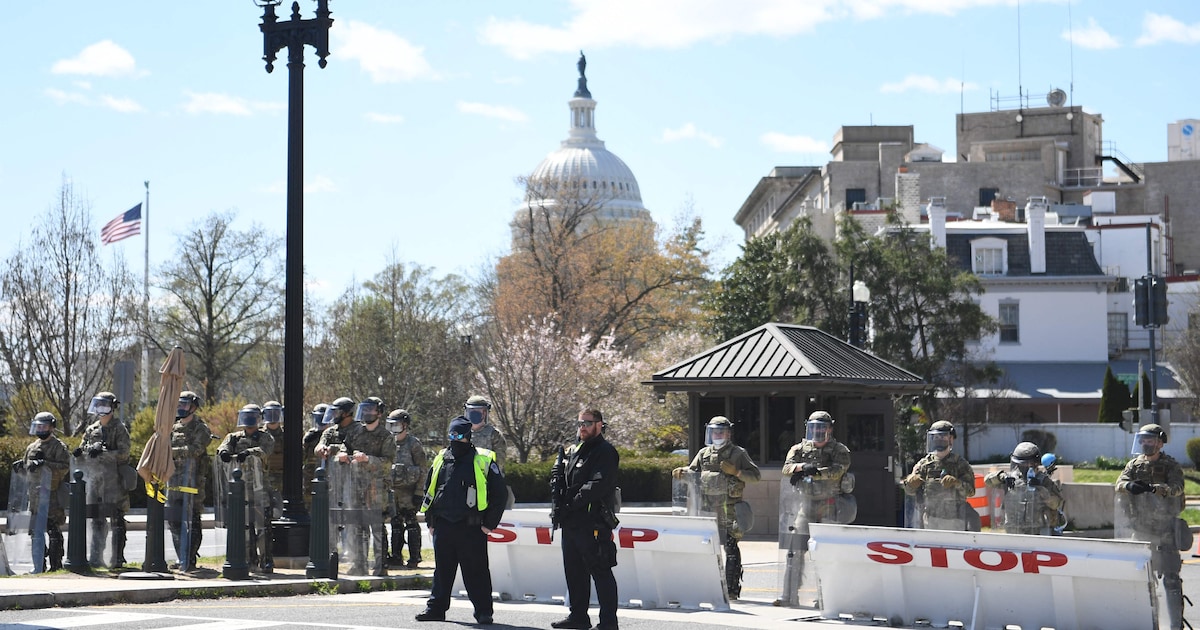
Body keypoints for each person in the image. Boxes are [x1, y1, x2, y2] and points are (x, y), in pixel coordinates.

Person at [416, 416, 508, 625]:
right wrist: (431, 521)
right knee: (442, 571)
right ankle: (436, 609)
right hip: (444, 525)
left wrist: (488, 525)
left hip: (472, 527)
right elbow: (430, 489)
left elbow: (499, 494)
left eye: (458, 435)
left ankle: (484, 612)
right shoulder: (441, 458)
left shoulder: (483, 459)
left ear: (468, 436)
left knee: (476, 572)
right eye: (451, 435)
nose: (454, 440)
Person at [672, 416, 761, 600]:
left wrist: (736, 472)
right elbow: (693, 473)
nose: (717, 435)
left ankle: (731, 588)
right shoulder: (704, 453)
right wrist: (682, 472)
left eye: (721, 431)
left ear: (728, 433)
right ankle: (707, 585)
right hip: (708, 508)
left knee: (731, 546)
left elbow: (755, 476)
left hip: (730, 508)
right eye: (714, 431)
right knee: (707, 546)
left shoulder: (738, 453)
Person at [550, 409, 620, 630]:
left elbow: (598, 485)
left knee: (600, 570)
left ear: (599, 425)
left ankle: (608, 622)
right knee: (574, 571)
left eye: (588, 423)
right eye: (580, 423)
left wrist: (572, 503)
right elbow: (566, 484)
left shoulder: (605, 451)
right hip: (572, 521)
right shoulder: (575, 451)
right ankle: (578, 617)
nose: (582, 427)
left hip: (593, 522)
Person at [776, 411, 852, 606]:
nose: (818, 431)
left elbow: (838, 471)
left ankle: (826, 596)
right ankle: (788, 595)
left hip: (829, 503)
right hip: (805, 503)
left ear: (830, 429)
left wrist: (815, 472)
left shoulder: (839, 449)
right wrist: (801, 467)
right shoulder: (799, 448)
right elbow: (786, 468)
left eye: (822, 427)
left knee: (825, 551)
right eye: (814, 427)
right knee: (795, 549)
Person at [1116, 423, 1186, 630]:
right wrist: (1129, 485)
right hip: (1141, 530)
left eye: (1150, 440)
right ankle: (1149, 623)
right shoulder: (1134, 465)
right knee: (1142, 580)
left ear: (1160, 442)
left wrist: (1156, 489)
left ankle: (1175, 625)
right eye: (1143, 440)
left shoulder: (1170, 465)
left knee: (1171, 580)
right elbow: (1118, 484)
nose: (1145, 444)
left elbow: (1178, 488)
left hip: (1165, 531)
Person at [75, 391, 132, 568]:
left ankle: (117, 558)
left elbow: (124, 454)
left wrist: (104, 452)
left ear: (113, 407)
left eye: (105, 405)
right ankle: (96, 557)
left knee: (117, 518)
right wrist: (81, 452)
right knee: (97, 519)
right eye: (98, 405)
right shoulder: (91, 429)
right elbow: (83, 451)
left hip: (113, 482)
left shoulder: (119, 428)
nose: (101, 409)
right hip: (94, 480)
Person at [217, 404, 275, 574]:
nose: (249, 422)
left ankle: (266, 561)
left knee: (263, 527)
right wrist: (224, 452)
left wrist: (249, 452)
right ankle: (250, 561)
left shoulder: (265, 437)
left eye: (252, 418)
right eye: (246, 417)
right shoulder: (233, 437)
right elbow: (223, 447)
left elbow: (265, 451)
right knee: (245, 528)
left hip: (259, 489)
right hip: (240, 489)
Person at [345, 396, 394, 576]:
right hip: (357, 484)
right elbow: (346, 447)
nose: (367, 412)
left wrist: (368, 459)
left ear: (379, 413)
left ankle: (381, 566)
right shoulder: (356, 432)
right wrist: (343, 455)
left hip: (376, 487)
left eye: (371, 409)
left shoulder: (386, 436)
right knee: (358, 527)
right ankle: (359, 565)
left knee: (377, 528)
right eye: (364, 408)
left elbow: (388, 462)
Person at [15, 412, 70, 571]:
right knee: (35, 533)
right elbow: (29, 473)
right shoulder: (31, 447)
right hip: (34, 499)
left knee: (53, 532)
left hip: (51, 497)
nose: (41, 429)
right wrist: (21, 468)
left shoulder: (58, 446)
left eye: (44, 426)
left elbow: (64, 468)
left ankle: (55, 565)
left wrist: (45, 464)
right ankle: (38, 566)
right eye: (38, 426)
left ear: (52, 427)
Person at [902, 420, 977, 531]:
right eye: (936, 437)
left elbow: (971, 491)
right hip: (930, 519)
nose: (939, 440)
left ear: (951, 439)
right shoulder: (924, 464)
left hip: (954, 520)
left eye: (943, 437)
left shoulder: (960, 464)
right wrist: (911, 483)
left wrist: (956, 483)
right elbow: (910, 491)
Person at [168, 391, 212, 570]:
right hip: (173, 481)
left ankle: (190, 558)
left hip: (193, 481)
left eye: (185, 405)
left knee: (192, 519)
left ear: (194, 407)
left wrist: (171, 451)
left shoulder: (200, 428)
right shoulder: (173, 427)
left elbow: (196, 450)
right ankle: (181, 558)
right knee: (174, 520)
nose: (181, 408)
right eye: (179, 404)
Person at [984, 441, 1065, 535]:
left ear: (1036, 463)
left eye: (1029, 464)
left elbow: (1056, 504)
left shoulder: (1043, 481)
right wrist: (1001, 477)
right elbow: (987, 481)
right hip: (1013, 530)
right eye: (1022, 464)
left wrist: (1040, 488)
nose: (1026, 467)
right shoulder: (1010, 479)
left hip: (1037, 531)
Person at [386, 409, 428, 569]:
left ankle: (414, 557)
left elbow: (423, 470)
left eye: (396, 425)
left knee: (411, 523)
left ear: (405, 425)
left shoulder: (413, 444)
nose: (393, 429)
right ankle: (396, 556)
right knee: (395, 524)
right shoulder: (388, 443)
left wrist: (419, 493)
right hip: (393, 492)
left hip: (409, 492)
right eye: (391, 425)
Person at [465, 395, 507, 469]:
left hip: (486, 477)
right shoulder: (461, 434)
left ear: (485, 413)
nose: (475, 413)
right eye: (472, 410)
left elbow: (499, 463)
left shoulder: (494, 435)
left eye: (479, 410)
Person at [302, 402, 330, 508]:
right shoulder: (310, 435)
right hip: (310, 473)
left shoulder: (333, 434)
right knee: (309, 501)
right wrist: (306, 441)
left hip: (329, 472)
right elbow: (302, 455)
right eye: (318, 417)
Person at [262, 400, 285, 520]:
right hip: (263, 477)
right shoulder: (259, 435)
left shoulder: (287, 435)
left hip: (283, 477)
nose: (272, 417)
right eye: (269, 413)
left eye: (275, 413)